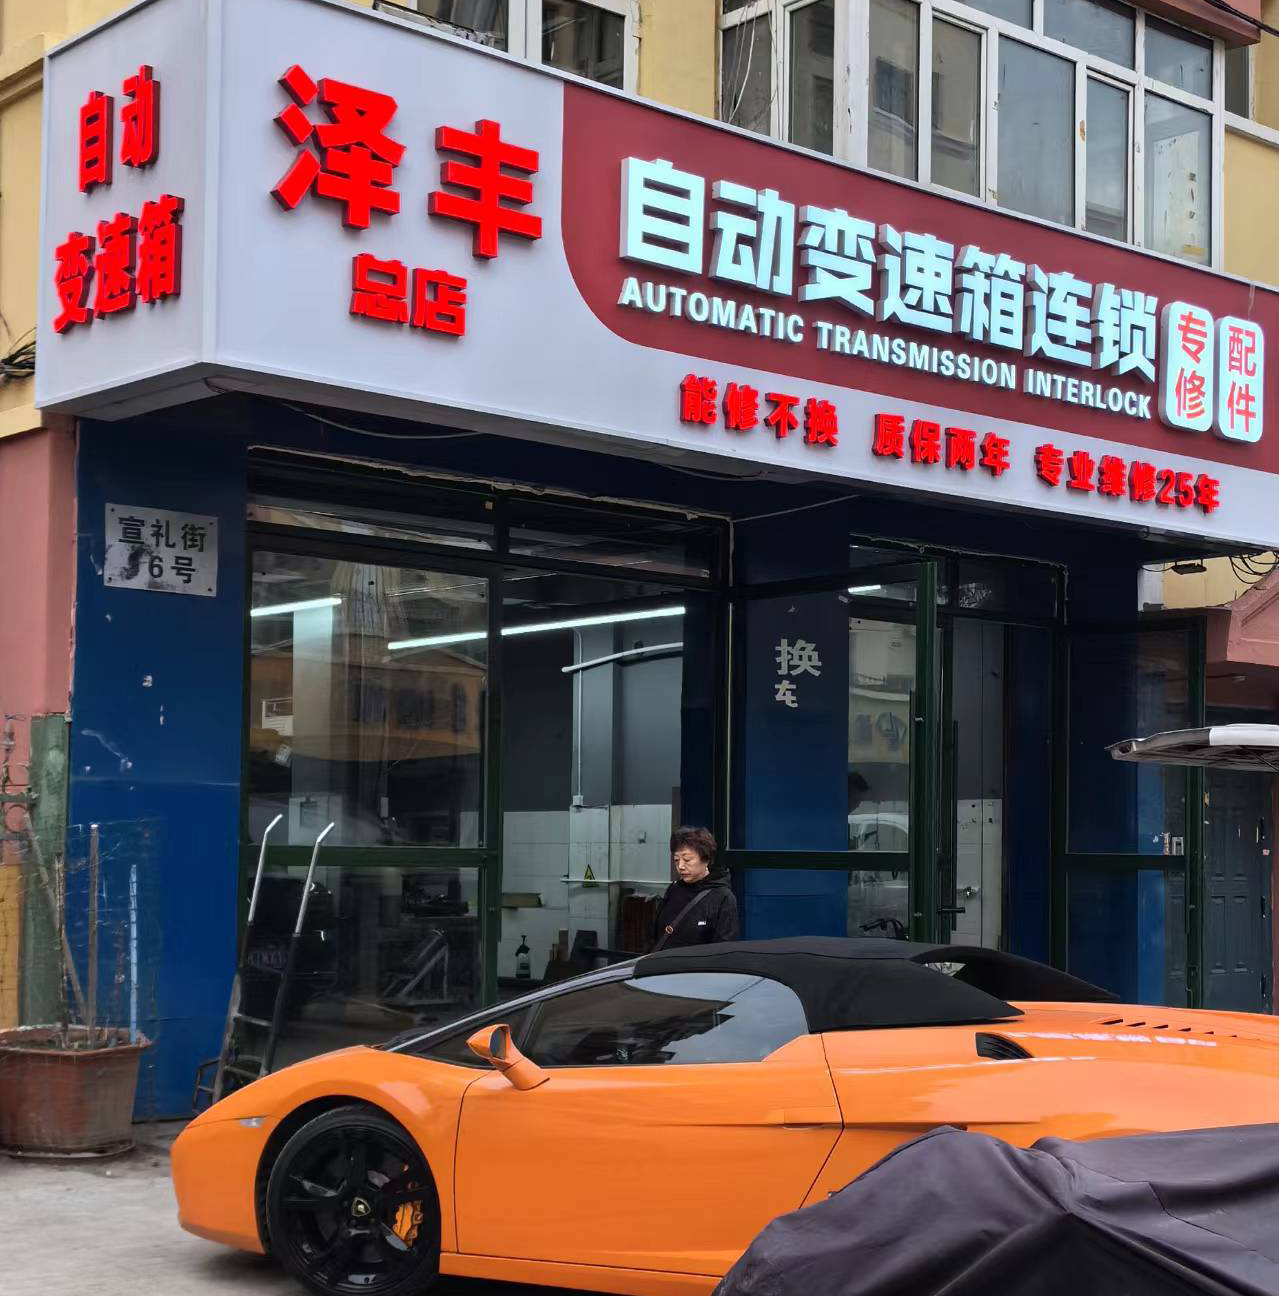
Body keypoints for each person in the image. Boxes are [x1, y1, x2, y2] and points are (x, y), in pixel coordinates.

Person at [653, 826, 738, 950]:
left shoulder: (723, 897)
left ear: (706, 860)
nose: (680, 866)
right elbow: (655, 935)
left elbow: (724, 948)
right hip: (665, 961)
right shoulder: (674, 890)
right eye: (676, 860)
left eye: (687, 860)